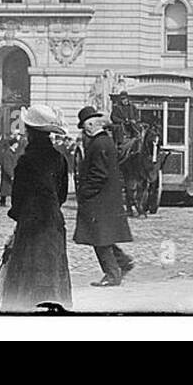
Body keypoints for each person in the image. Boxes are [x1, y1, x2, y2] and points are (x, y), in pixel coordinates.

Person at [0, 104, 73, 311]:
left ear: (30, 132)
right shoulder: (59, 159)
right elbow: (62, 195)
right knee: (53, 269)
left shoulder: (25, 161)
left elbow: (17, 200)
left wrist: (21, 215)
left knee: (27, 271)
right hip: (53, 223)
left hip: (30, 223)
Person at [72, 106, 135, 287]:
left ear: (91, 125)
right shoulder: (104, 142)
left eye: (85, 127)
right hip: (106, 198)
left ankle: (112, 274)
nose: (85, 130)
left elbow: (99, 174)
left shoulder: (98, 144)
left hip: (98, 199)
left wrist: (85, 193)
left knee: (98, 238)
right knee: (103, 236)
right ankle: (123, 262)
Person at [0, 135, 20, 207]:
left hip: (13, 172)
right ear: (13, 144)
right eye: (16, 144)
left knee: (13, 189)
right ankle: (2, 201)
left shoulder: (14, 153)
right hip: (7, 174)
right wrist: (11, 174)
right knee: (6, 189)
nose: (17, 145)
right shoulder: (8, 153)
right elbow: (7, 165)